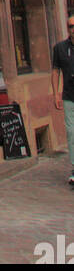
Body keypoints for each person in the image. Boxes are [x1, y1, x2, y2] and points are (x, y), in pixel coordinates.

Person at [51, 14, 74, 188]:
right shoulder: (60, 48)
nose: (73, 29)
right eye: (71, 26)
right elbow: (55, 71)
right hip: (68, 96)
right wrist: (55, 93)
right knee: (71, 132)